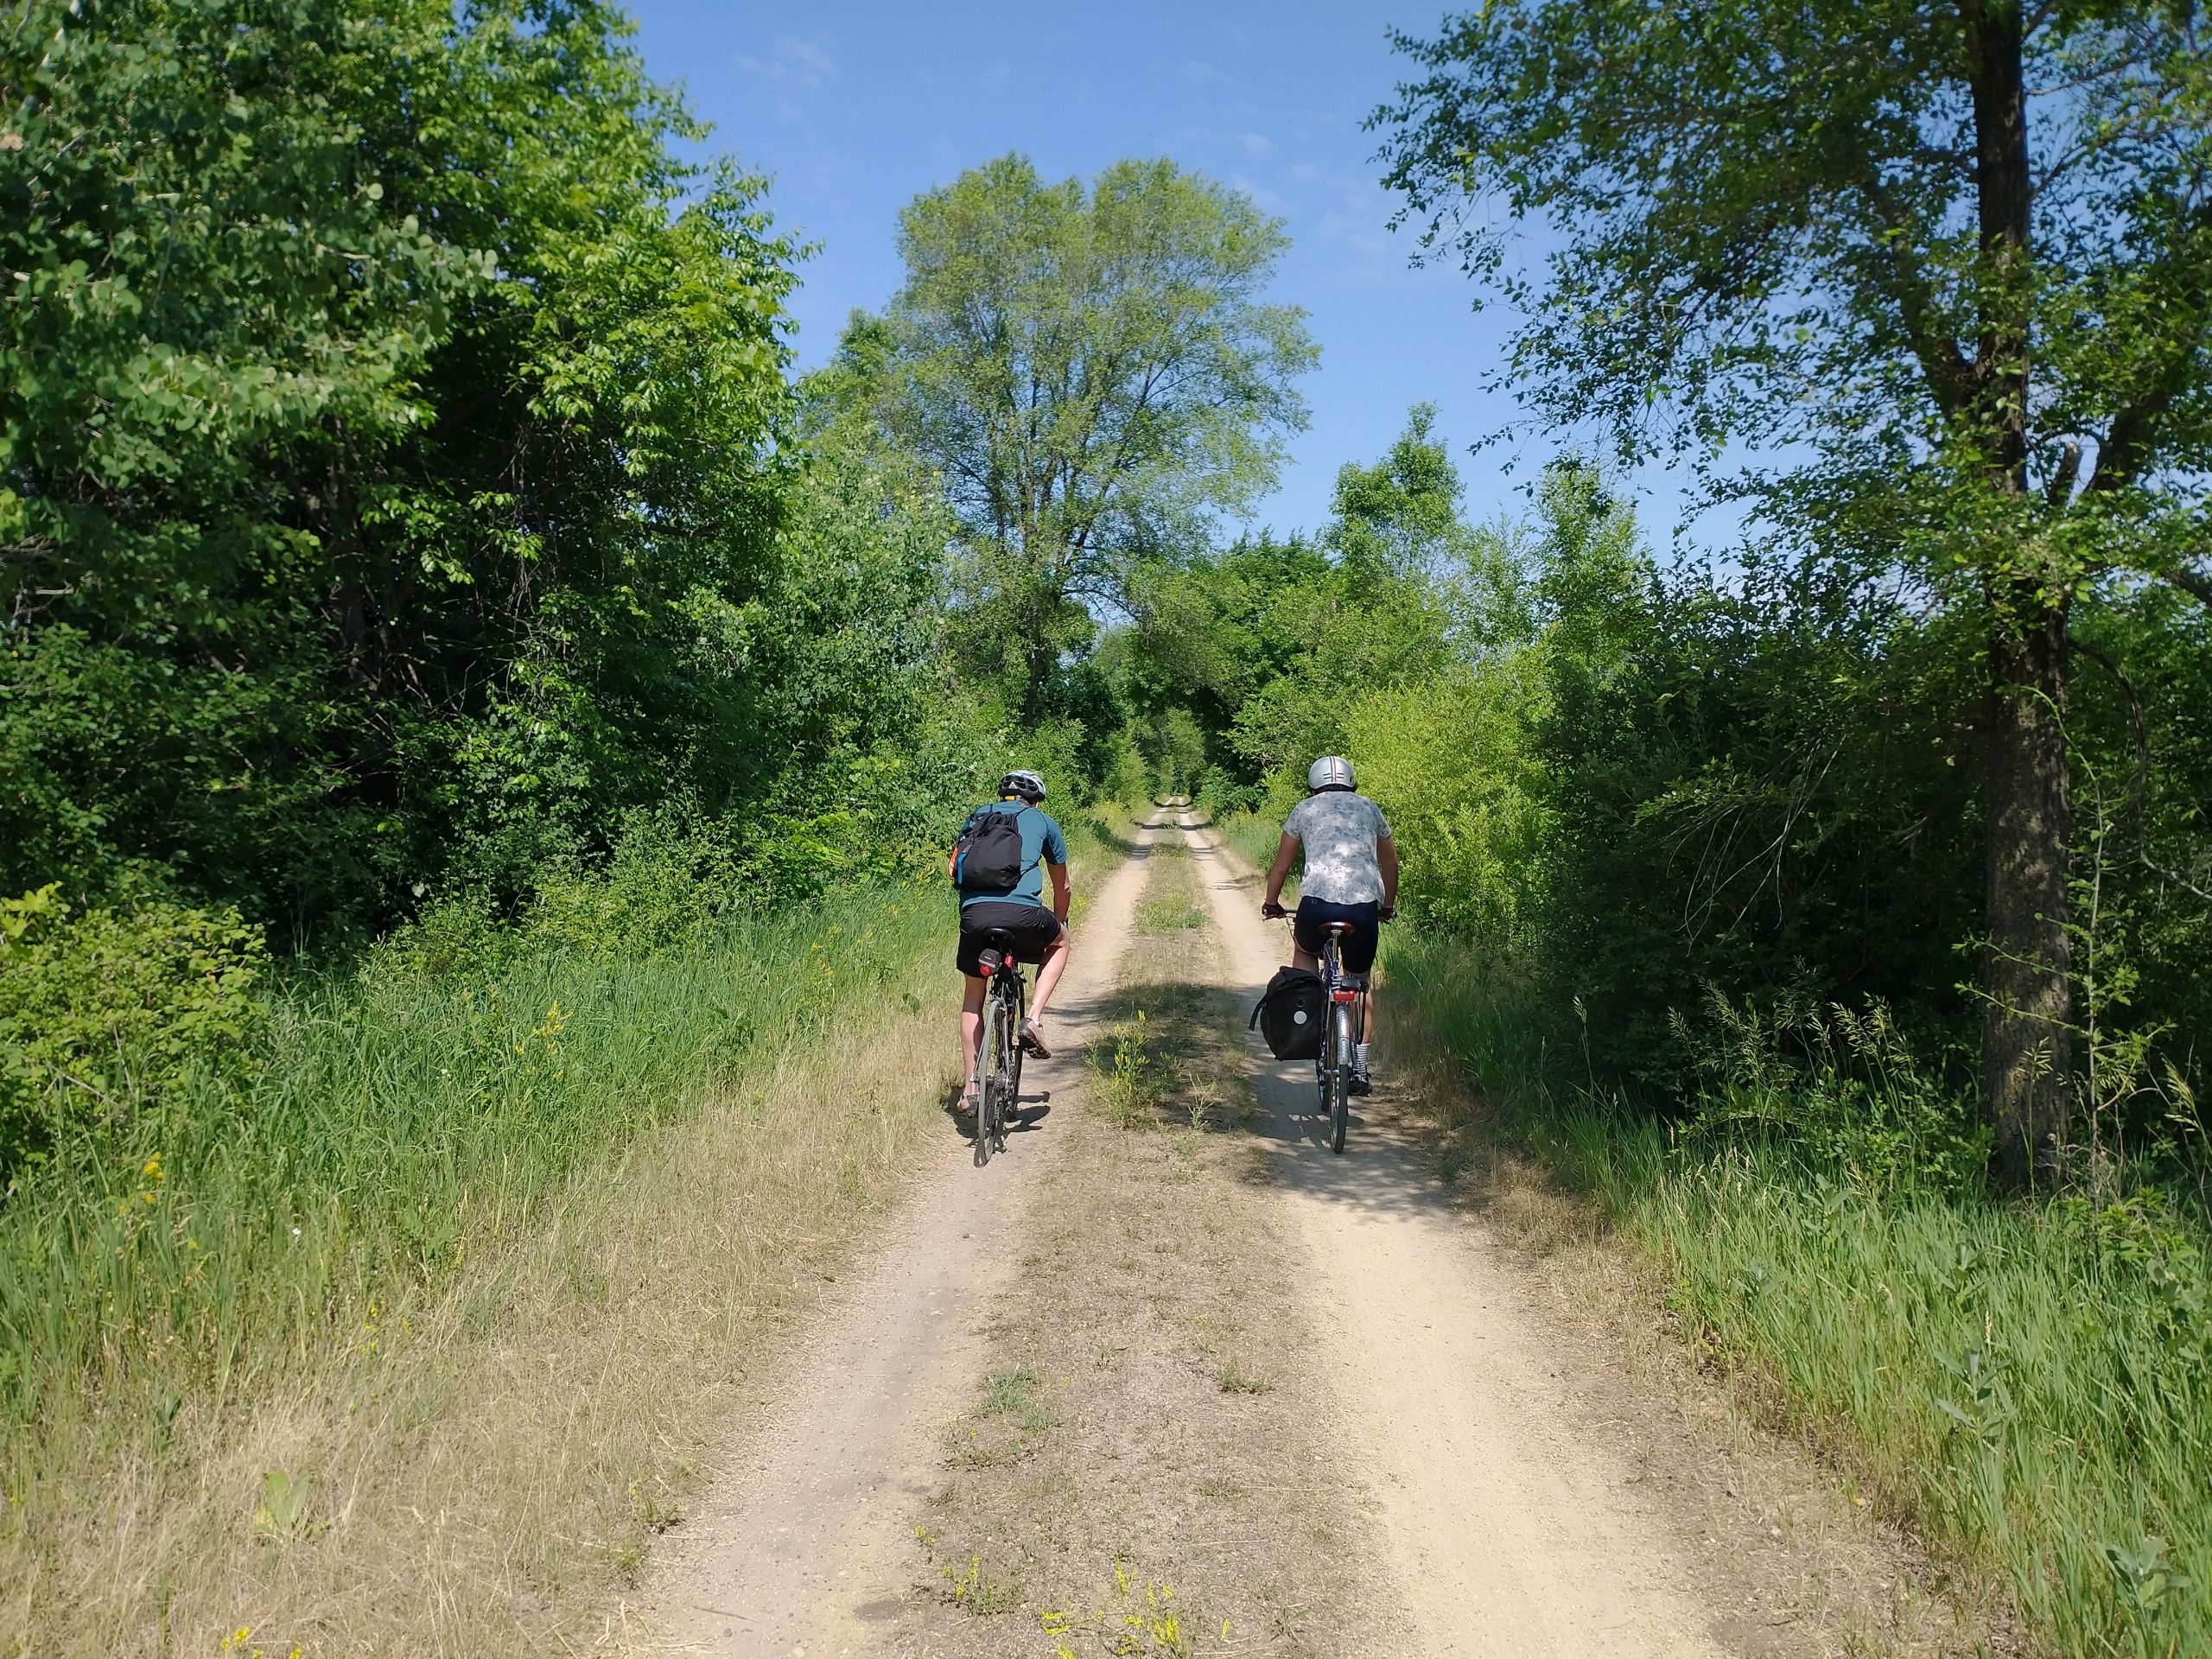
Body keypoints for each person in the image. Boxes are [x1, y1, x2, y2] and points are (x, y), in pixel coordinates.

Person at [1260, 755, 1396, 1094]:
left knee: (1305, 952)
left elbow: (1280, 868)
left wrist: (1272, 903)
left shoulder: (1304, 809)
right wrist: (1387, 907)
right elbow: (1391, 863)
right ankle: (1360, 1066)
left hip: (1316, 909)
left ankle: (1308, 1021)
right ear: (1351, 782)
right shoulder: (1370, 808)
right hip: (1364, 911)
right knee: (1360, 980)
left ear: (1313, 784)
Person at [952, 769, 1072, 1114]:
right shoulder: (1044, 822)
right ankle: (1033, 1018)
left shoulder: (977, 816)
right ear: (1035, 799)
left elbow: (960, 867)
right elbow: (1062, 886)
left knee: (973, 997)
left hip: (974, 916)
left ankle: (970, 1087)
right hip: (1023, 916)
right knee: (1061, 943)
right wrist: (1060, 921)